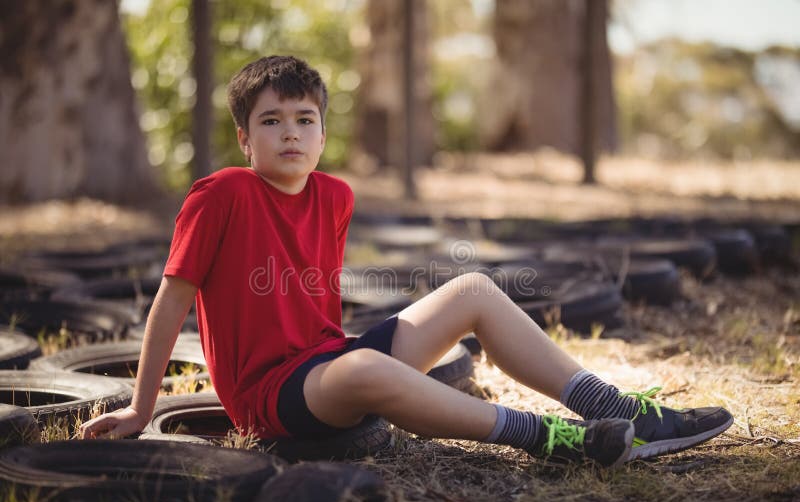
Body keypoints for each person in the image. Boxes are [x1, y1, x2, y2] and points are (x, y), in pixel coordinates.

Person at [79, 55, 733, 467]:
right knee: (362, 363)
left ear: (323, 134)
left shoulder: (335, 195)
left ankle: (617, 410)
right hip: (268, 395)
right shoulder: (220, 194)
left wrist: (344, 357)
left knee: (473, 286)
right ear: (245, 138)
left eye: (305, 119)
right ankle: (552, 440)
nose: (290, 133)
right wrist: (140, 410)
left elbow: (318, 323)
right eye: (271, 121)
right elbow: (171, 301)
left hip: (329, 364)